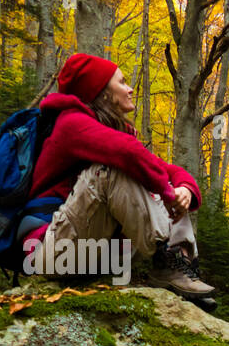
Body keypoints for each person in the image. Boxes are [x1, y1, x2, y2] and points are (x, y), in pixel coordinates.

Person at [22, 52, 215, 299]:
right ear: (101, 90)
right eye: (122, 82)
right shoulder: (71, 124)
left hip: (95, 253)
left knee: (153, 175)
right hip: (50, 252)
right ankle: (166, 260)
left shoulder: (110, 132)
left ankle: (181, 265)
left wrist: (184, 189)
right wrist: (166, 193)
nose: (130, 89)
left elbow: (165, 169)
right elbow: (128, 154)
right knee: (112, 169)